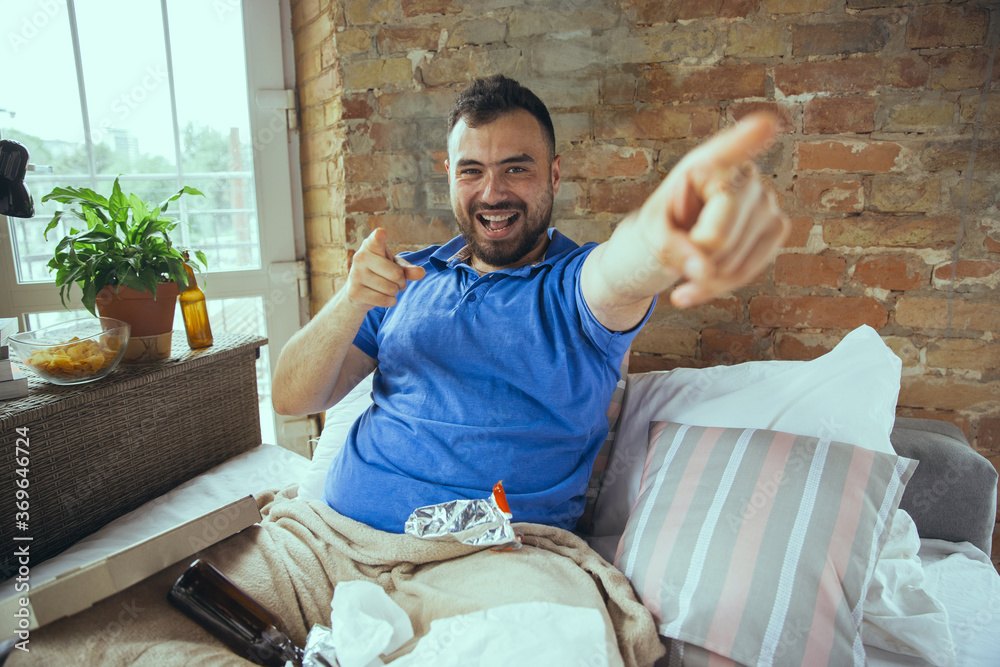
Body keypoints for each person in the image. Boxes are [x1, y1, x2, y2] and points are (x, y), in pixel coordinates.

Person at [272, 74, 789, 533]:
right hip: (332, 535)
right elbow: (292, 399)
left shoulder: (575, 285)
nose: (492, 193)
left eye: (516, 169)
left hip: (492, 560)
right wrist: (350, 300)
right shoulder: (403, 276)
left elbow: (624, 267)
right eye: (471, 171)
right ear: (449, 174)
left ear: (554, 175)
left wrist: (667, 230)